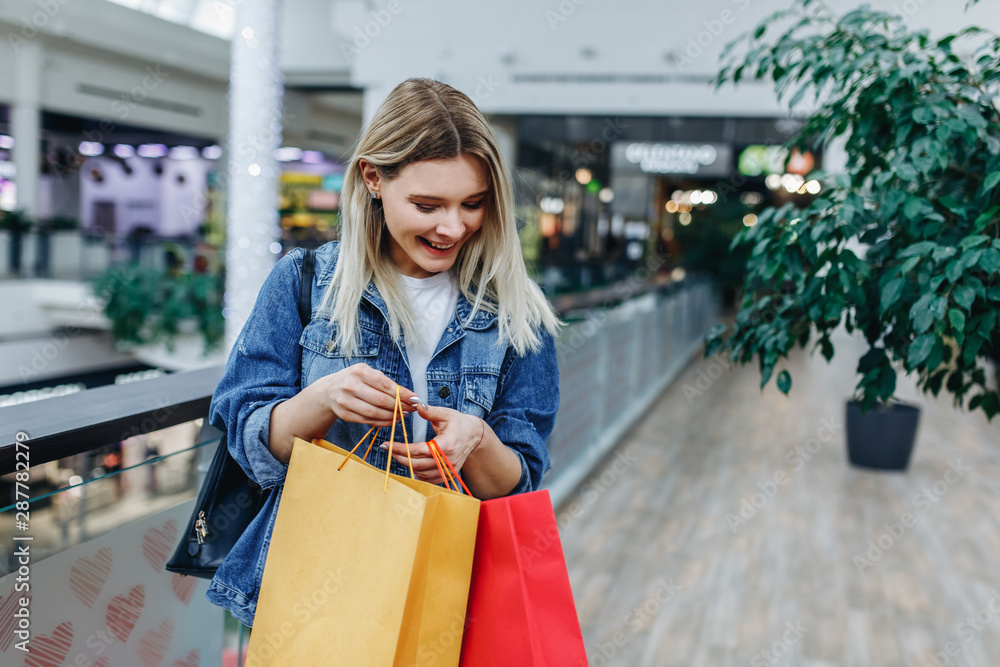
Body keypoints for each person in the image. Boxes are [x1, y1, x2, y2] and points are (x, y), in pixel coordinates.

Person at [205, 78, 562, 628]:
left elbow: (519, 482)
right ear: (373, 178)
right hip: (321, 590)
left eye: (473, 204)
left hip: (454, 590)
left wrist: (478, 438)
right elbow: (249, 441)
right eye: (427, 204)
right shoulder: (305, 284)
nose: (453, 227)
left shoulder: (517, 312)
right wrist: (324, 397)